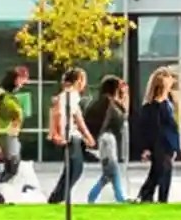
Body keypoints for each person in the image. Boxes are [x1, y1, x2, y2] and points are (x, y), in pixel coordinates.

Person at [47, 69, 95, 204]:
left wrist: (87, 136)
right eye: (83, 81)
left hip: (73, 136)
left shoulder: (70, 96)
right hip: (69, 137)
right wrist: (59, 134)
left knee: (73, 169)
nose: (84, 85)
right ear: (79, 80)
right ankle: (56, 198)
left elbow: (77, 116)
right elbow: (61, 115)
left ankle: (57, 197)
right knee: (74, 169)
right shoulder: (69, 95)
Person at [137, 67, 180, 204]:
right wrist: (147, 148)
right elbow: (149, 129)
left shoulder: (168, 103)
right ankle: (156, 198)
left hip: (168, 143)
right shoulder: (153, 107)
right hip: (159, 144)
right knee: (162, 172)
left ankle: (146, 196)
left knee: (158, 172)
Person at [86, 76, 129, 204]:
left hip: (108, 140)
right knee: (111, 170)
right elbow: (111, 120)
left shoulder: (107, 102)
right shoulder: (108, 103)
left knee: (110, 172)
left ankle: (116, 196)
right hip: (107, 140)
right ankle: (118, 197)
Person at [0, 66, 31, 184]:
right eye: (22, 79)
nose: (23, 83)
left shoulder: (7, 96)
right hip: (6, 132)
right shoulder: (4, 97)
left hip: (8, 133)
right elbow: (15, 114)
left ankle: (0, 188)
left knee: (11, 165)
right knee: (12, 165)